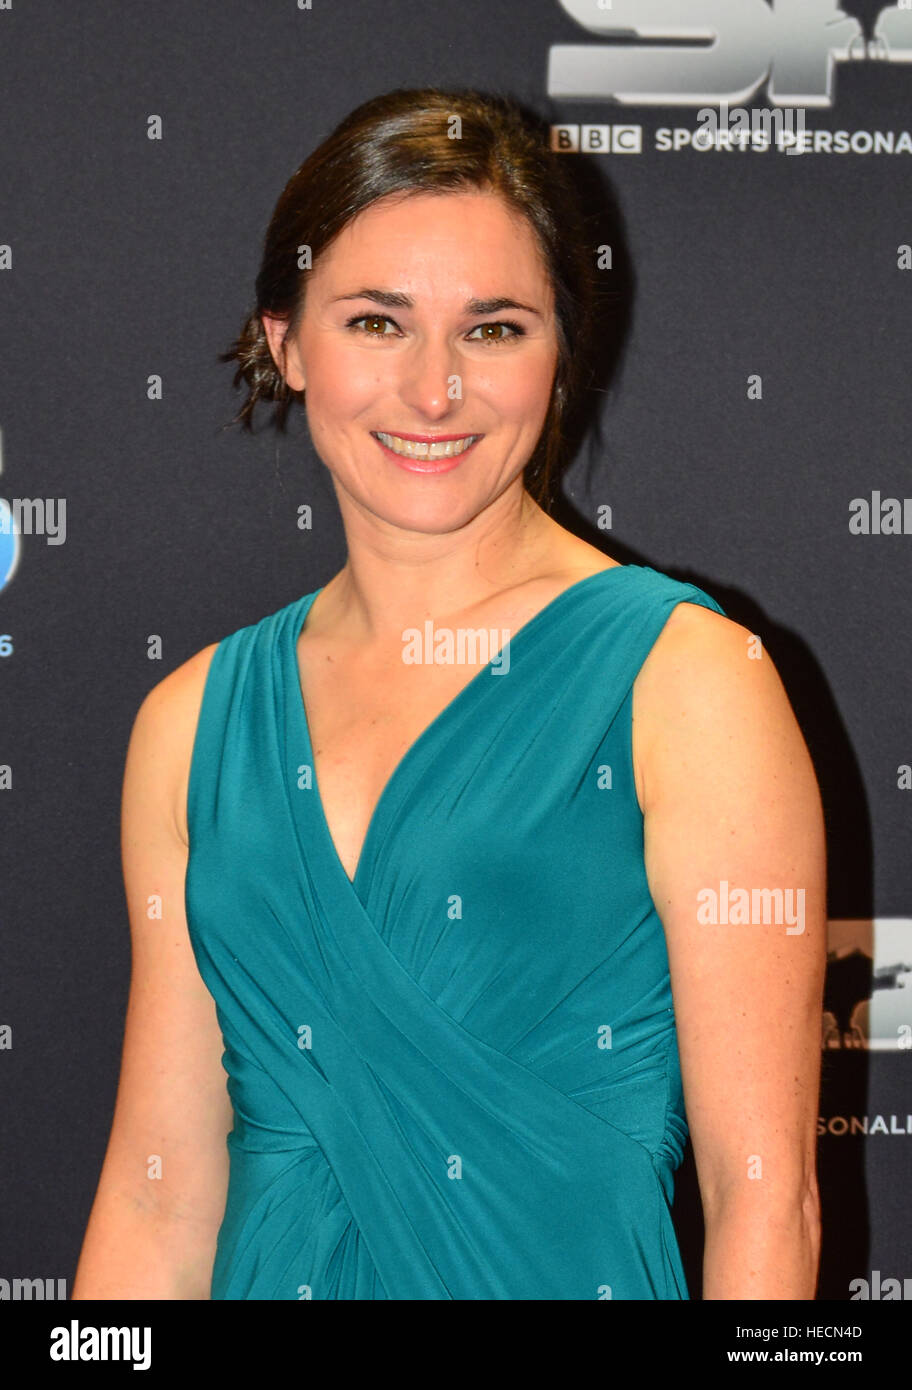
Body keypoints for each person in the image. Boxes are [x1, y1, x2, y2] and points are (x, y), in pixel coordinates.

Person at [73, 87, 826, 1300]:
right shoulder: (193, 724)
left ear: (560, 352)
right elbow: (158, 1197)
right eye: (377, 322)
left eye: (493, 328)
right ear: (287, 342)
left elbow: (769, 1208)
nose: (434, 392)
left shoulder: (688, 681)